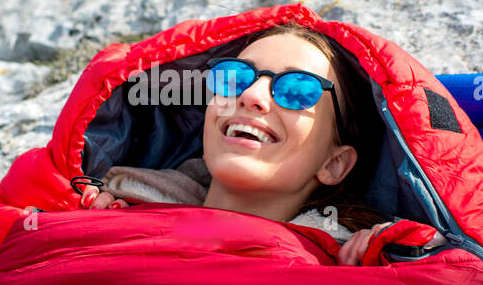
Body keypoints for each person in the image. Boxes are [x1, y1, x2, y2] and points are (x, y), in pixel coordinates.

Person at [78, 22, 443, 264]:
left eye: (297, 90)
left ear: (334, 163)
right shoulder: (115, 199)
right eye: (235, 76)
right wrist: (91, 221)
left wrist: (388, 258)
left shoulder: (347, 256)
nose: (251, 95)